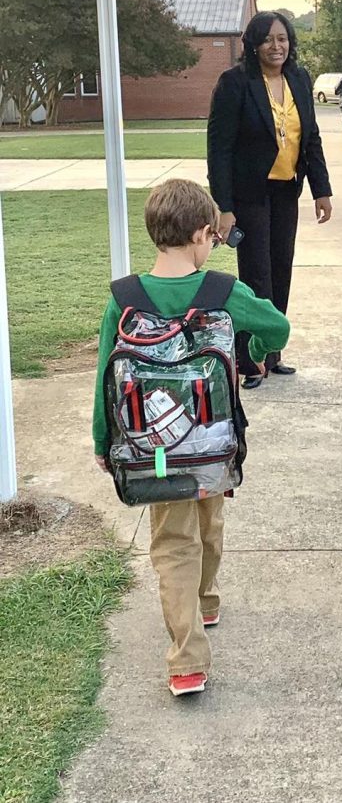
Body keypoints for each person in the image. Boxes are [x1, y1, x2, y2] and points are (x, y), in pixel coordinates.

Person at [92, 178, 291, 696]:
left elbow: (103, 378)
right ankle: (202, 607)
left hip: (152, 454)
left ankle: (187, 655)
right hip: (215, 446)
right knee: (209, 521)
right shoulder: (223, 292)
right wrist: (257, 352)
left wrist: (102, 443)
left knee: (173, 540)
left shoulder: (125, 297)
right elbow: (278, 328)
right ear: (203, 235)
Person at [207, 10, 333, 389]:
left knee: (281, 271)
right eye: (268, 39)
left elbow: (310, 137)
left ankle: (273, 352)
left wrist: (321, 189)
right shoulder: (234, 83)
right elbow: (220, 148)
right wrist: (224, 206)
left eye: (282, 38)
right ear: (254, 44)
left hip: (285, 191)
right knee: (256, 277)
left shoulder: (298, 78)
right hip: (249, 195)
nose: (276, 46)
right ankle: (249, 361)